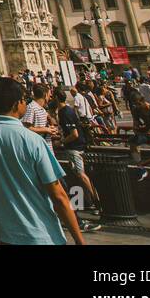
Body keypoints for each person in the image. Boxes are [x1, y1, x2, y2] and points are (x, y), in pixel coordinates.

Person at [0, 77, 85, 246]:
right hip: (41, 235)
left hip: (4, 234)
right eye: (24, 100)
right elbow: (59, 196)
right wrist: (79, 240)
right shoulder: (33, 140)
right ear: (17, 103)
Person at [52, 88, 101, 228]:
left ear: (56, 98)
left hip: (74, 148)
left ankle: (96, 203)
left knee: (81, 175)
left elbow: (74, 134)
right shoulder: (64, 111)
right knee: (78, 175)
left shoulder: (65, 112)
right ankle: (89, 202)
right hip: (74, 148)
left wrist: (61, 142)